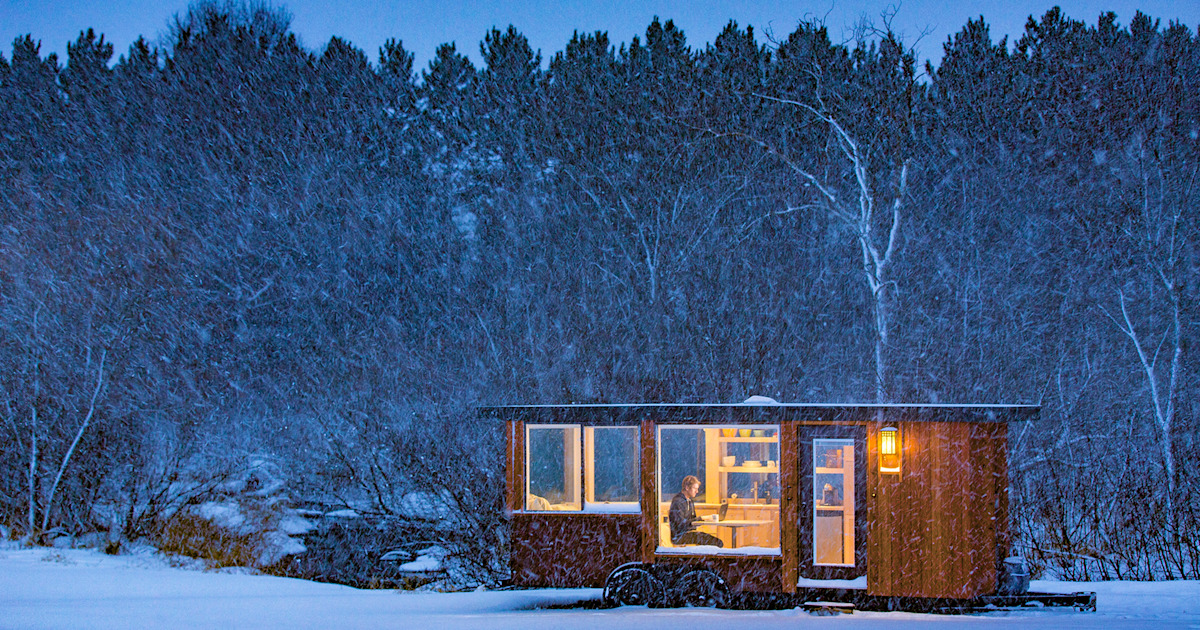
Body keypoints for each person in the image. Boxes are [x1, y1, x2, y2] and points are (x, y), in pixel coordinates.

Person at [668, 475, 724, 547]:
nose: (697, 491)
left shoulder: (690, 501)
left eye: (697, 489)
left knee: (716, 541)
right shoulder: (678, 501)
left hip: (688, 533)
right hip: (679, 536)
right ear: (687, 488)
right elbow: (680, 524)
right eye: (695, 488)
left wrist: (706, 520)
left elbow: (692, 521)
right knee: (717, 543)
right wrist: (702, 518)